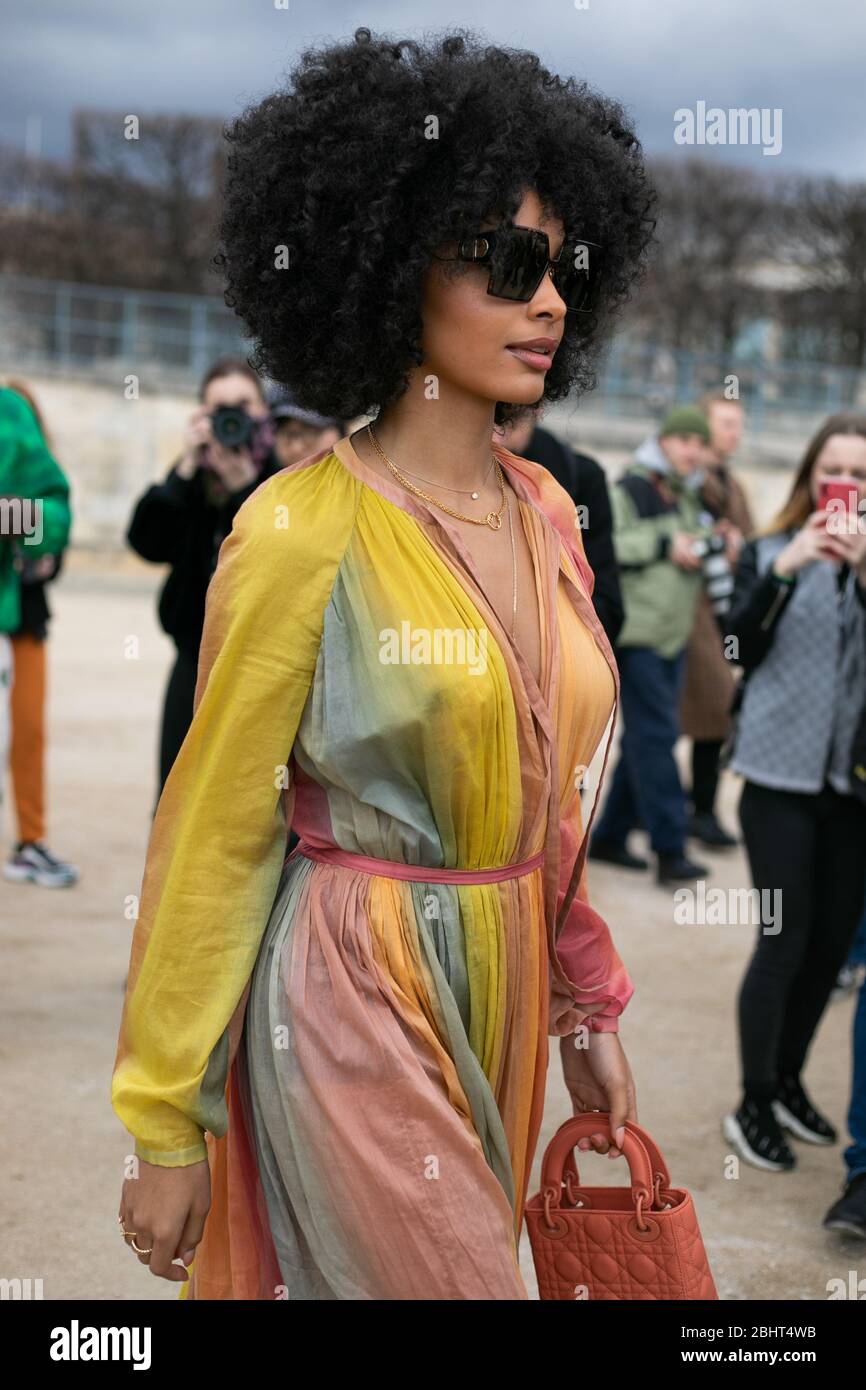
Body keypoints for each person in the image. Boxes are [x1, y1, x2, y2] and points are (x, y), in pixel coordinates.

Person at [111, 27, 656, 1299]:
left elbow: (548, 796)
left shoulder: (550, 516)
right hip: (349, 992)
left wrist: (586, 1003)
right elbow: (216, 834)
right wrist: (162, 1121)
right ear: (391, 269)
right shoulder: (301, 530)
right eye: (506, 263)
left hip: (506, 975)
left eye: (559, 265)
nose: (549, 299)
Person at [722, 413, 866, 1173]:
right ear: (812, 479)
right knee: (783, 942)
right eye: (832, 472)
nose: (845, 488)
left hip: (852, 793)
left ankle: (785, 1082)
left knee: (829, 951)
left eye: (860, 476)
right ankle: (751, 1100)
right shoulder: (774, 552)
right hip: (776, 784)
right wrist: (787, 570)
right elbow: (738, 646)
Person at [126, 358, 282, 803]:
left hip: (257, 669)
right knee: (176, 800)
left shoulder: (279, 477)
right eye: (220, 409)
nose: (233, 419)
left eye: (243, 406)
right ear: (201, 417)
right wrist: (184, 469)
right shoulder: (191, 478)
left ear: (263, 412)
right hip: (191, 660)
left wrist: (242, 490)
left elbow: (275, 555)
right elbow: (145, 541)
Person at [589, 406, 723, 883]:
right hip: (641, 636)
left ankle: (608, 837)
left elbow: (697, 533)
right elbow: (610, 545)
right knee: (658, 738)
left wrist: (712, 541)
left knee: (644, 738)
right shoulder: (630, 487)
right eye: (685, 440)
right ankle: (670, 850)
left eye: (698, 443)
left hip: (674, 635)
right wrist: (668, 544)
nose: (693, 450)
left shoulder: (688, 492)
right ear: (664, 441)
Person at [0, 380, 78, 887]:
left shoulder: (38, 483)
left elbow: (53, 529)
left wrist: (6, 515)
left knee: (27, 734)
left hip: (24, 621)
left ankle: (31, 840)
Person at [680, 393, 755, 849]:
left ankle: (637, 814)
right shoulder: (690, 478)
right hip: (693, 610)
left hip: (721, 608)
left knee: (675, 721)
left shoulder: (731, 480)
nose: (735, 432)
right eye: (726, 422)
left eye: (738, 424)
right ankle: (700, 812)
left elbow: (750, 534)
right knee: (714, 709)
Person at [502, 409, 624, 646]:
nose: (498, 432)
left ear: (537, 410)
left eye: (507, 417)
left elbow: (606, 605)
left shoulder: (581, 478)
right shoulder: (446, 474)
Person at [267, 388, 344, 469]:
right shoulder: (271, 480)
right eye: (288, 435)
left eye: (310, 432)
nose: (297, 448)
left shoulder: (354, 478)